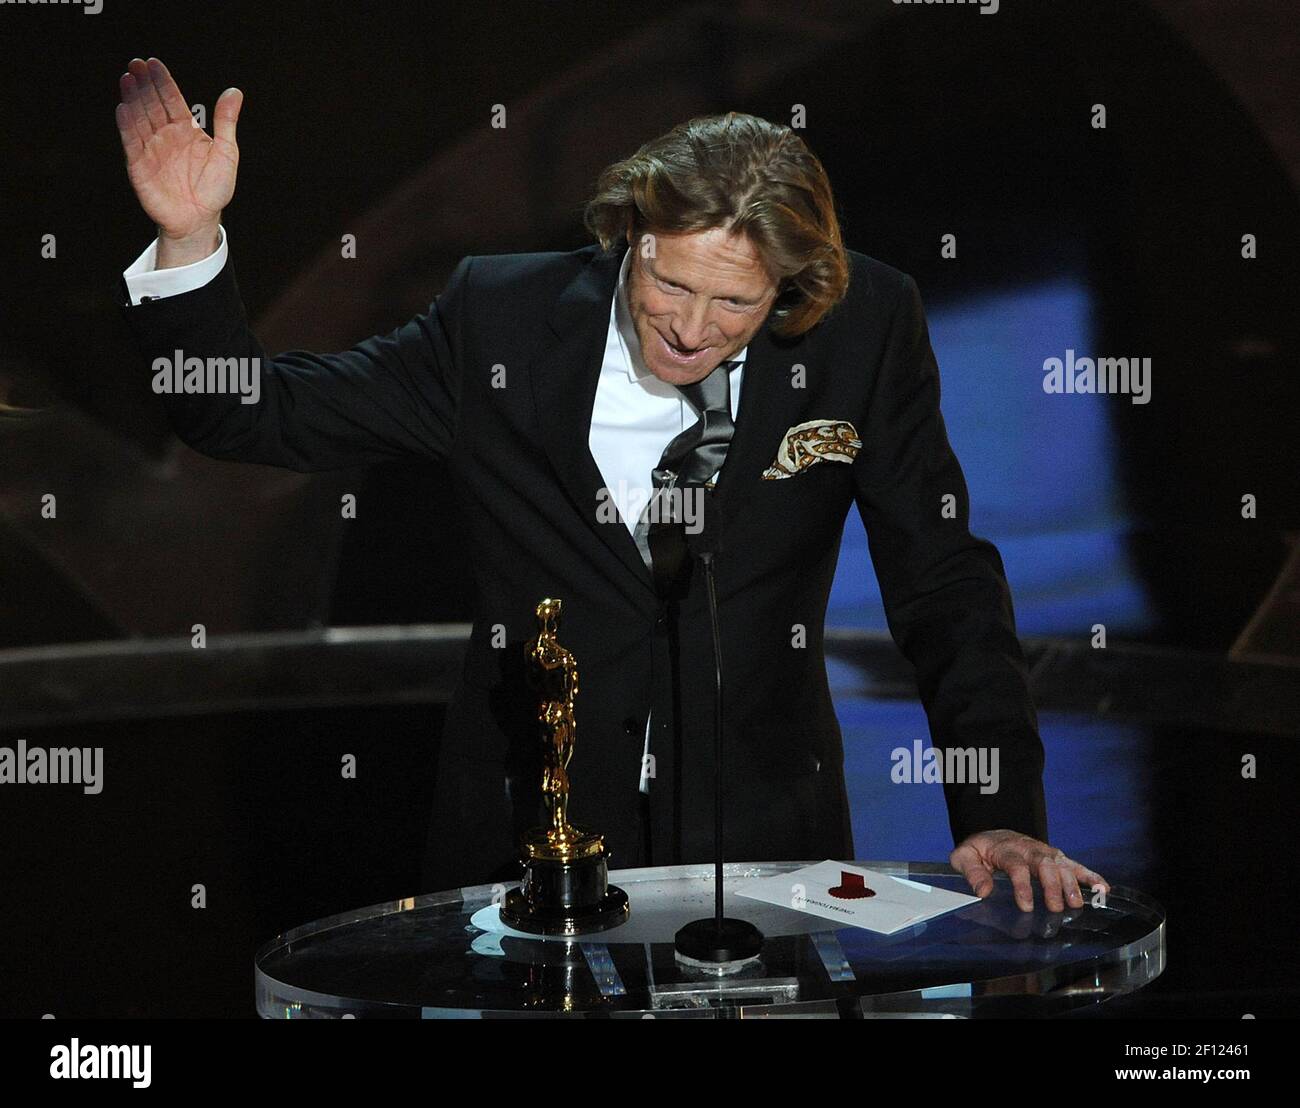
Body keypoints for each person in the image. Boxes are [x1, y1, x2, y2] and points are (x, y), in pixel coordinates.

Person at [115, 56, 1109, 912]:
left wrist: (999, 817)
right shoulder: (498, 322)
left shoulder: (863, 332)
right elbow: (247, 412)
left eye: (734, 303)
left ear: (791, 290)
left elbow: (942, 581)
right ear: (627, 234)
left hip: (766, 843)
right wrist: (190, 242)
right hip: (523, 842)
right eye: (670, 284)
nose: (690, 327)